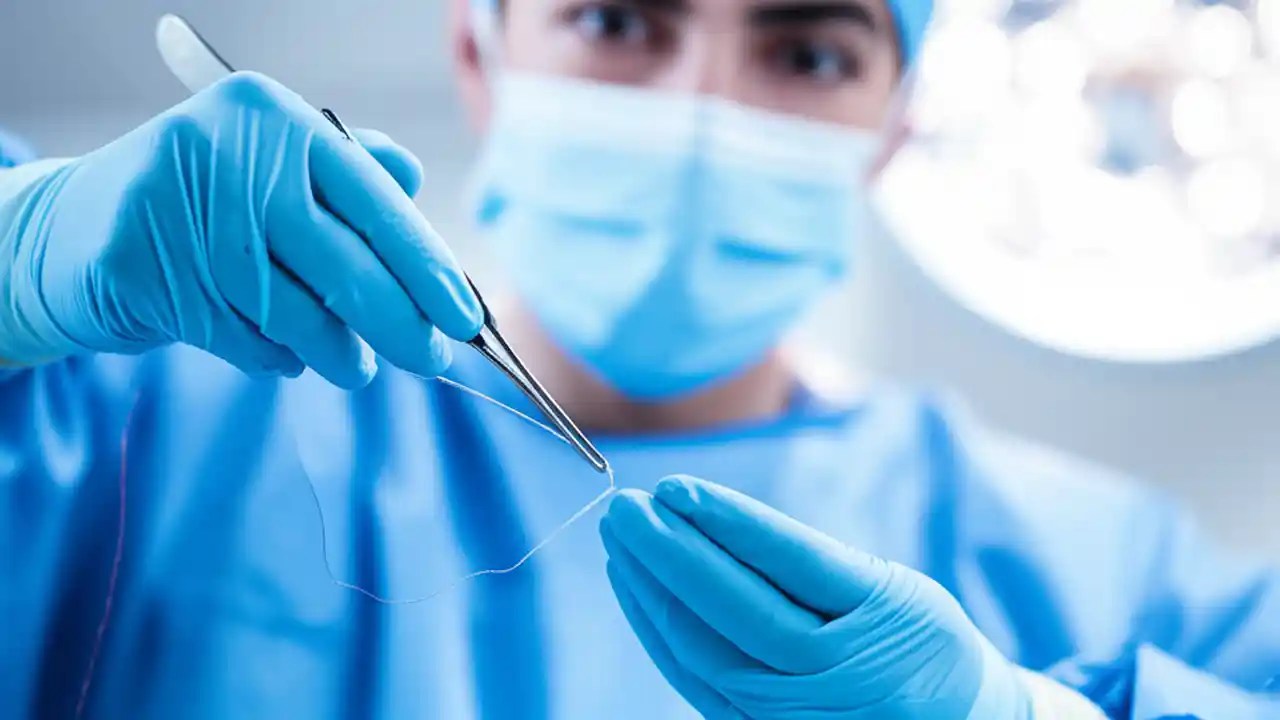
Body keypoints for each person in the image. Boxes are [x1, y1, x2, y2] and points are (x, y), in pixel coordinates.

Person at [1, 0, 1277, 717]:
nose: (700, 111)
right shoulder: (133, 419)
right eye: (617, 19)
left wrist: (1015, 718)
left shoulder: (1105, 566)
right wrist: (19, 262)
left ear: (895, 128)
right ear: (479, 61)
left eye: (807, 49)